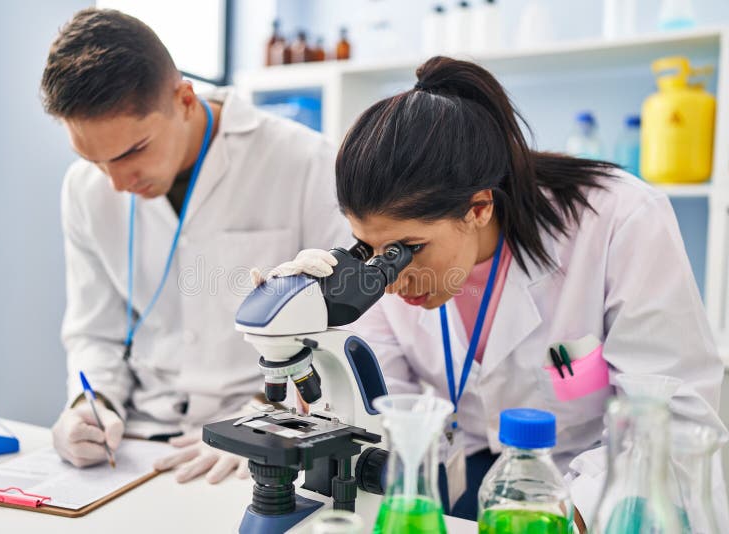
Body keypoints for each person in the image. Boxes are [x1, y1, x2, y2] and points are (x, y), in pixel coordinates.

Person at [261, 56, 728, 526]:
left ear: (479, 206)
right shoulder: (385, 262)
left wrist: (561, 516)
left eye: (408, 250)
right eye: (371, 251)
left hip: (597, 491)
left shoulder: (620, 222)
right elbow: (385, 417)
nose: (391, 279)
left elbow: (674, 422)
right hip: (477, 474)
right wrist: (317, 330)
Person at [40, 8, 347, 483]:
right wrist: (90, 404)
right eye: (94, 160)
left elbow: (344, 326)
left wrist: (270, 419)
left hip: (262, 445)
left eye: (131, 152)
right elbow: (94, 333)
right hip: (137, 444)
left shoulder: (306, 162)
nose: (117, 182)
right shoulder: (84, 189)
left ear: (185, 98)